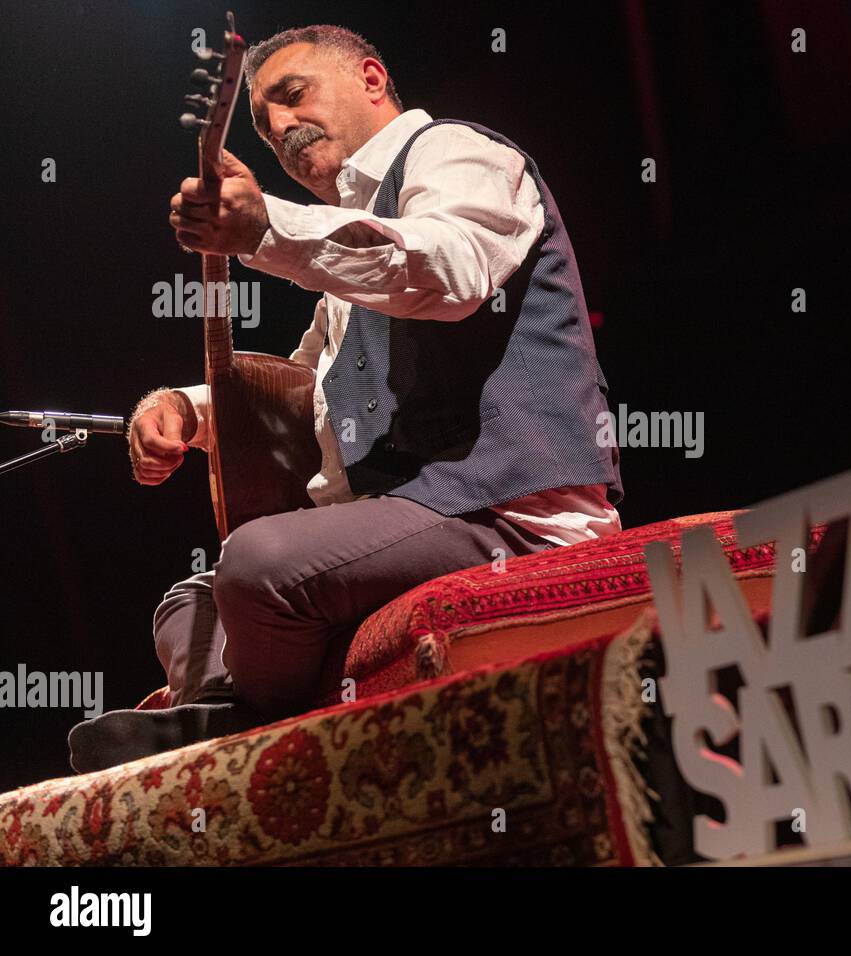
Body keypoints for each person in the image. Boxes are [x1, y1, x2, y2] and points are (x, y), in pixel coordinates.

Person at [67, 24, 623, 773]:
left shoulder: (457, 153)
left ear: (370, 78)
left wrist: (268, 229)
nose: (281, 127)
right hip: (414, 520)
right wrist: (185, 409)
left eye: (294, 97)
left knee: (257, 564)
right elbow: (301, 387)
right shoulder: (347, 255)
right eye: (262, 122)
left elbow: (449, 269)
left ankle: (236, 742)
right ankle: (235, 728)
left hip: (506, 515)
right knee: (188, 606)